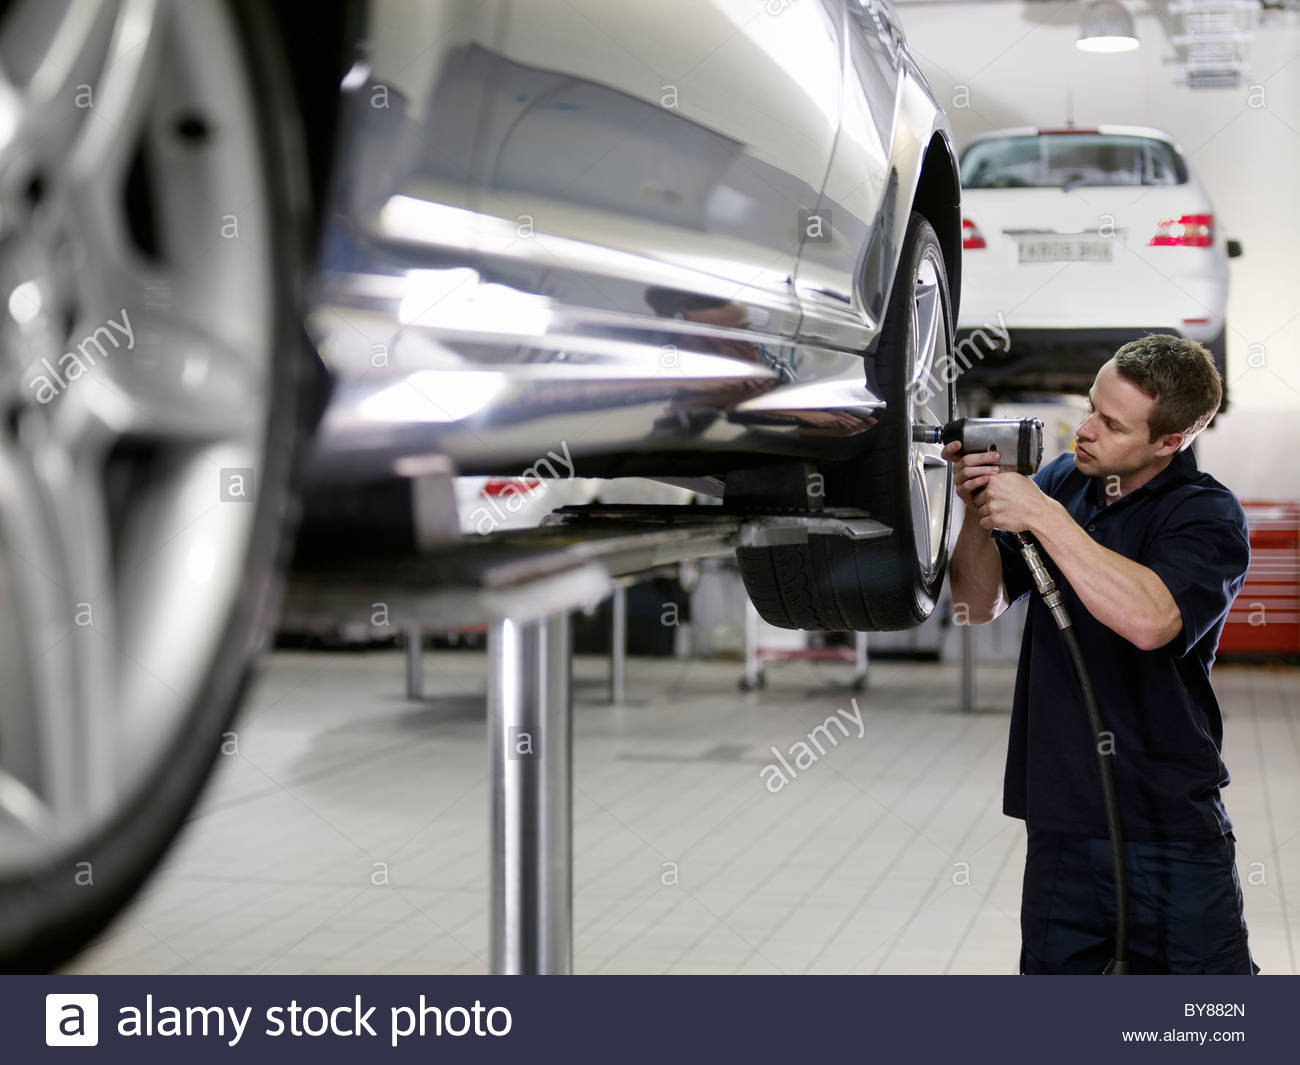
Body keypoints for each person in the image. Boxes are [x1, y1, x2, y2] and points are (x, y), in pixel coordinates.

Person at [944, 335, 1259, 974]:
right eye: (1090, 407)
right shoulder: (1065, 480)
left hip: (1167, 822)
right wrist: (977, 510)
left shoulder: (1205, 515)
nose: (1084, 430)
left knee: (1214, 1023)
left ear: (1168, 442)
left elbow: (1151, 620)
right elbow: (977, 606)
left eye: (1111, 425)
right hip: (1061, 819)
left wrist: (1044, 516)